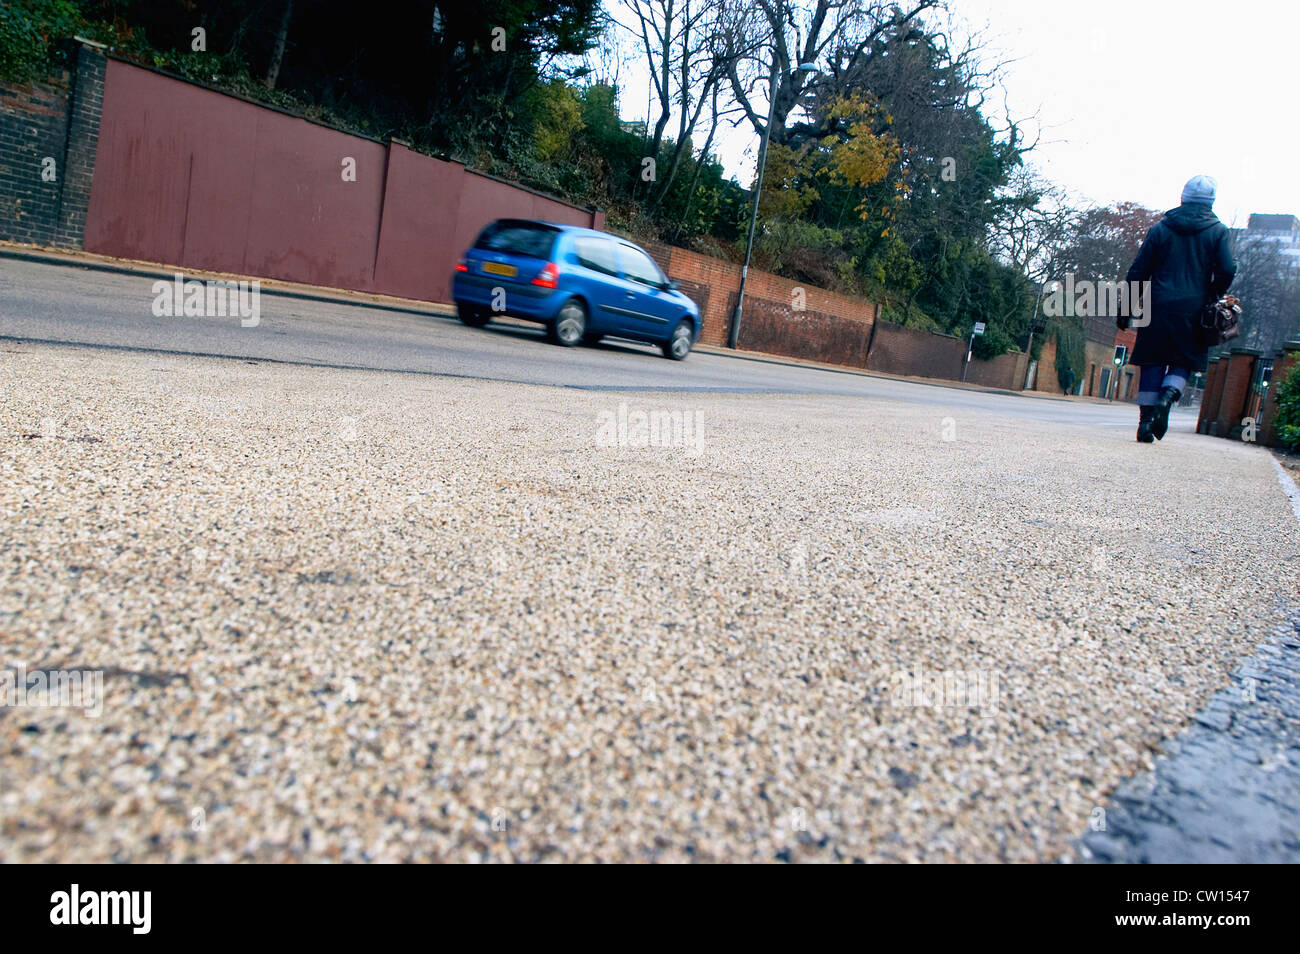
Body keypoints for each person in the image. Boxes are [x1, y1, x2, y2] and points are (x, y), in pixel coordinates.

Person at [1120, 175, 1237, 443]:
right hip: (1195, 307)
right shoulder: (1218, 231)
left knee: (1152, 360)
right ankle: (1168, 396)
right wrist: (1213, 292)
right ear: (1211, 202)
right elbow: (1227, 269)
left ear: (1183, 198)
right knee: (1183, 359)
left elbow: (1139, 270)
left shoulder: (1161, 229)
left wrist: (1126, 307)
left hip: (1157, 304)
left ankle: (1145, 424)